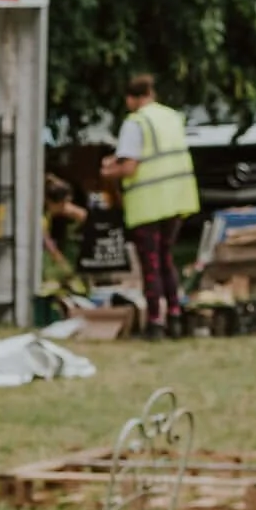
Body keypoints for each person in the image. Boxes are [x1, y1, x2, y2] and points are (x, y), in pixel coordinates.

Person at [102, 73, 197, 340]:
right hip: (177, 197)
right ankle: (176, 316)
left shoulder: (135, 122)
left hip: (149, 201)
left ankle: (155, 321)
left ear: (131, 99)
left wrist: (109, 172)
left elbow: (130, 166)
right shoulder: (171, 117)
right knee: (167, 260)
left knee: (151, 263)